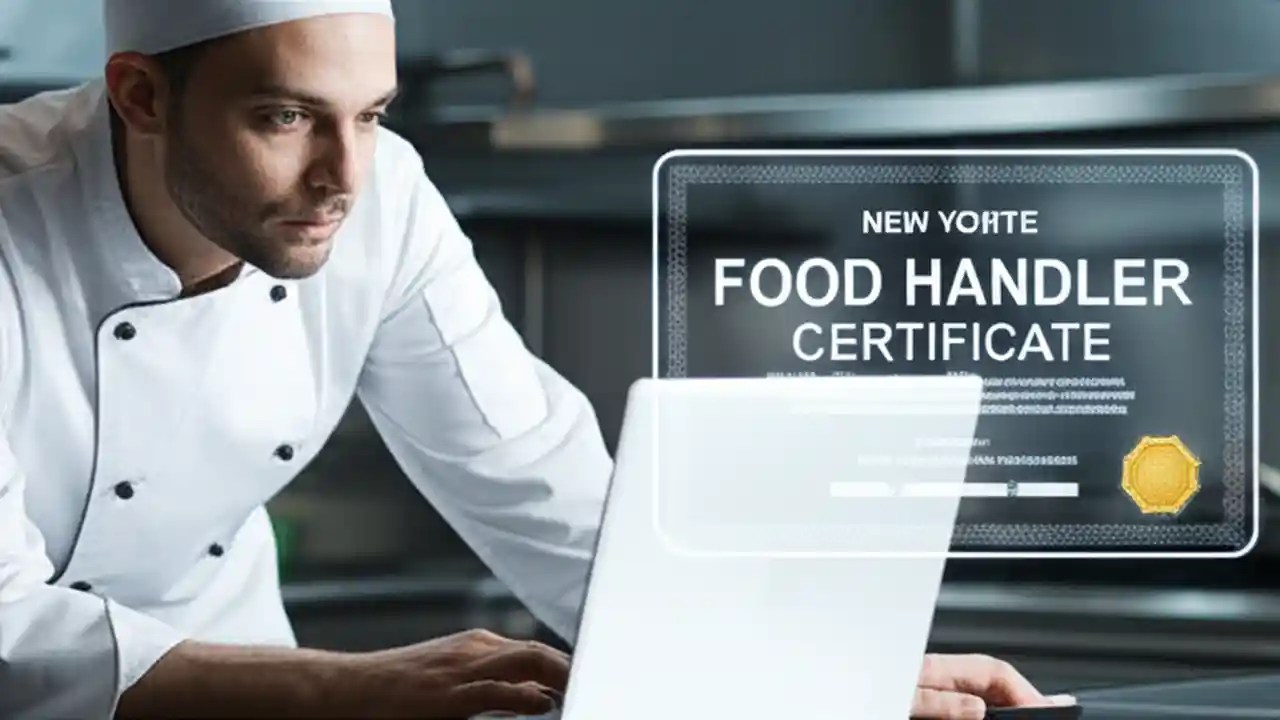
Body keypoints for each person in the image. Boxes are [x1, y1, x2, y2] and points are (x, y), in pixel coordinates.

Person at [0, 1, 1059, 718]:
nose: (343, 176)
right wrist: (353, 689)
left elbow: (533, 475)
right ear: (141, 95)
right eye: (284, 116)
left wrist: (816, 676)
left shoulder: (387, 200)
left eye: (369, 116)